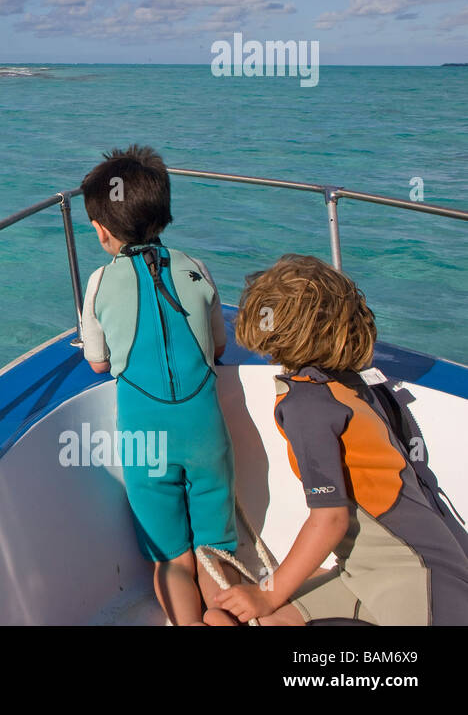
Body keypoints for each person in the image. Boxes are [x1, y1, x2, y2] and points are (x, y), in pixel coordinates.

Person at [218, 254, 468, 625]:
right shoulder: (350, 383)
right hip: (367, 575)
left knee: (252, 613)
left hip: (419, 588)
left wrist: (265, 593)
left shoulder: (307, 404)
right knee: (238, 617)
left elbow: (330, 520)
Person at [79, 145, 240, 625]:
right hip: (206, 434)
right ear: (163, 214)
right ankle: (226, 617)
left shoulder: (99, 283)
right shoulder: (197, 267)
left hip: (146, 441)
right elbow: (217, 348)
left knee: (172, 559)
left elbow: (97, 363)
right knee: (214, 552)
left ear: (103, 230)